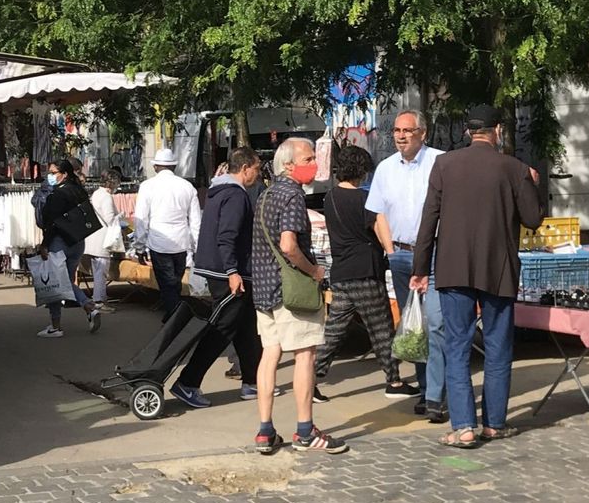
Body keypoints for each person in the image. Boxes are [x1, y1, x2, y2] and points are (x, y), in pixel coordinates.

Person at [412, 105, 543, 448]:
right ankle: (495, 424)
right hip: (498, 270)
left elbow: (429, 220)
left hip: (453, 268)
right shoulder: (514, 168)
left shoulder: (444, 165)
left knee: (457, 347)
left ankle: (465, 427)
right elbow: (533, 219)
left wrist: (420, 268)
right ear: (497, 130)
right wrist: (531, 183)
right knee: (498, 347)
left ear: (469, 132)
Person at [250, 138, 347, 454]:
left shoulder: (265, 195)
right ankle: (305, 430)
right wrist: (314, 271)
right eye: (308, 159)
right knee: (305, 355)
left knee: (269, 355)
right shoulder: (292, 196)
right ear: (289, 165)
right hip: (291, 291)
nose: (314, 164)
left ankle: (265, 431)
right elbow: (289, 245)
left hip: (264, 289)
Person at [316, 143, 413, 400]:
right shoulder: (365, 199)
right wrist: (392, 253)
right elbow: (380, 229)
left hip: (341, 273)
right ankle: (393, 382)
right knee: (381, 329)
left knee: (334, 331)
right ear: (361, 170)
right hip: (366, 272)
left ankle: (311, 378)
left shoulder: (330, 197)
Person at [171, 148, 265, 407]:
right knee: (222, 328)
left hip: (225, 271)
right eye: (256, 168)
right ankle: (188, 382)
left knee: (246, 327)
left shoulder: (220, 191)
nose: (258, 174)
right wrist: (232, 271)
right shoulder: (235, 195)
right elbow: (227, 236)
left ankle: (252, 381)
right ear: (245, 168)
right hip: (227, 274)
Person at [368, 110, 446, 421]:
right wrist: (390, 250)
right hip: (401, 255)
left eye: (407, 131)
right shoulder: (385, 169)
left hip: (436, 255)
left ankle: (436, 394)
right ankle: (426, 389)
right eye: (397, 131)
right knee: (414, 326)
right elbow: (378, 213)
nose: (400, 136)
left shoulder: (440, 162)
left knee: (436, 323)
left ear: (422, 133)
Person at [36, 157, 104, 338]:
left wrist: (45, 244)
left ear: (64, 174)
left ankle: (64, 320)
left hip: (59, 242)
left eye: (53, 173)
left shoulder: (57, 195)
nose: (50, 176)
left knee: (56, 283)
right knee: (65, 280)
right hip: (77, 242)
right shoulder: (79, 190)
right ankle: (83, 310)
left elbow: (51, 223)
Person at [134, 147, 201, 318]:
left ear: (155, 166)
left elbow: (141, 220)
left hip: (159, 243)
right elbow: (195, 222)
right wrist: (197, 247)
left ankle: (174, 316)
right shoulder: (187, 187)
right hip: (181, 243)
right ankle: (174, 313)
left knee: (167, 284)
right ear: (174, 166)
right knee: (175, 283)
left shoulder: (147, 186)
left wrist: (139, 248)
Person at [84, 168, 124, 311]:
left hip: (94, 238)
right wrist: (121, 216)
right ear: (112, 182)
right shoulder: (106, 197)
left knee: (97, 272)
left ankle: (98, 299)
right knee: (101, 272)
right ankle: (100, 301)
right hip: (103, 239)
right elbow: (110, 219)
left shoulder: (96, 193)